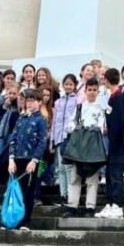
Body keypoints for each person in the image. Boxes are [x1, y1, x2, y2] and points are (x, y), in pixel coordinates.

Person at [63, 78, 110, 217]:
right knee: (74, 177)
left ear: (98, 91)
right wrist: (77, 128)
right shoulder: (80, 107)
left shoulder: (102, 107)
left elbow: (103, 126)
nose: (92, 92)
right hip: (79, 145)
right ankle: (72, 206)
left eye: (94, 90)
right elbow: (70, 124)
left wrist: (97, 129)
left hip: (93, 145)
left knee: (92, 178)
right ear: (85, 90)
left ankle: (90, 207)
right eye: (89, 90)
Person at [5, 89, 48, 231]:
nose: (29, 103)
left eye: (32, 100)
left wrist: (34, 160)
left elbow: (42, 142)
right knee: (15, 190)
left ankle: (25, 221)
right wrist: (11, 159)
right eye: (27, 100)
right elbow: (13, 139)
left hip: (31, 161)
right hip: (17, 159)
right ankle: (12, 221)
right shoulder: (21, 118)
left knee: (28, 192)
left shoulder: (41, 120)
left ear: (39, 102)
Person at [95, 68, 124, 219]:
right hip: (113, 142)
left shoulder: (118, 98)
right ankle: (110, 203)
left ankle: (117, 205)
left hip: (117, 142)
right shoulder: (113, 96)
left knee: (116, 174)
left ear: (107, 80)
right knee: (110, 173)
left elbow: (118, 123)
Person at [0, 84, 22, 197]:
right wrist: (4, 106)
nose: (11, 96)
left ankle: (9, 185)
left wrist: (18, 105)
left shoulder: (20, 104)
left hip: (15, 136)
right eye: (10, 93)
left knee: (11, 161)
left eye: (14, 93)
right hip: (3, 135)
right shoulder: (2, 102)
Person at [52, 74, 78, 206]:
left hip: (70, 138)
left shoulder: (77, 100)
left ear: (74, 86)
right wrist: (53, 139)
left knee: (68, 168)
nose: (68, 86)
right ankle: (62, 195)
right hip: (58, 138)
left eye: (70, 84)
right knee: (60, 168)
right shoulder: (58, 102)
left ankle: (69, 195)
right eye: (66, 84)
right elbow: (55, 121)